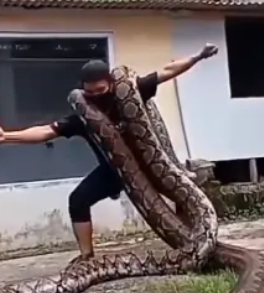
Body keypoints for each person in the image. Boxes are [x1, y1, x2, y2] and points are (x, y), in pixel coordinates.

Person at [0, 43, 219, 260]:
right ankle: (86, 257)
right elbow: (47, 131)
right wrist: (7, 136)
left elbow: (167, 72)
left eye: (101, 90)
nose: (96, 96)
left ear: (112, 84)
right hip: (114, 169)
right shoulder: (83, 117)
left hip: (150, 162)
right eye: (90, 92)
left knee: (181, 191)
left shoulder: (131, 92)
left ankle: (196, 239)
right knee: (78, 200)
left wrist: (197, 56)